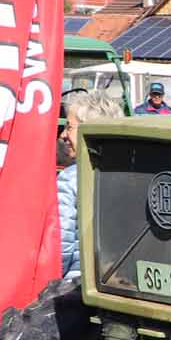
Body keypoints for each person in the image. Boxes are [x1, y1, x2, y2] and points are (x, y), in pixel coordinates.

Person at [58, 89, 124, 280]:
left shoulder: (70, 180)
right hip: (117, 284)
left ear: (90, 130)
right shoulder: (130, 177)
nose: (63, 135)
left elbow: (60, 249)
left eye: (69, 127)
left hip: (76, 286)